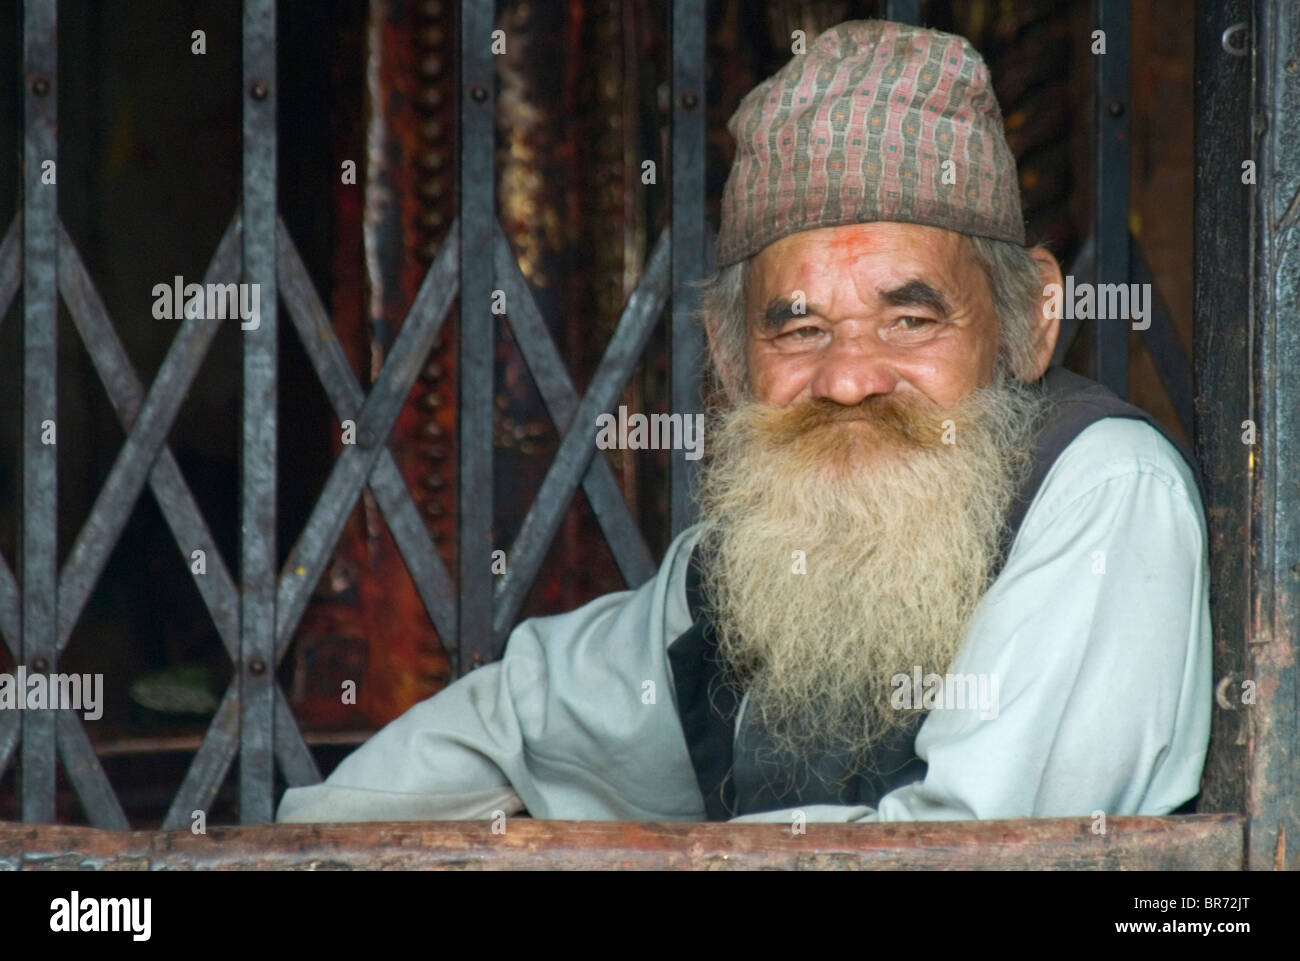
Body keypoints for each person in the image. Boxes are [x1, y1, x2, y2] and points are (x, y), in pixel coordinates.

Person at [277, 19, 1211, 825]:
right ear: (731, 363)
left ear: (1029, 321)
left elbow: (968, 850)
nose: (849, 379)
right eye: (800, 328)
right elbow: (511, 725)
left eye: (911, 318)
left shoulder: (1104, 490)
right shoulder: (747, 576)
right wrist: (305, 851)